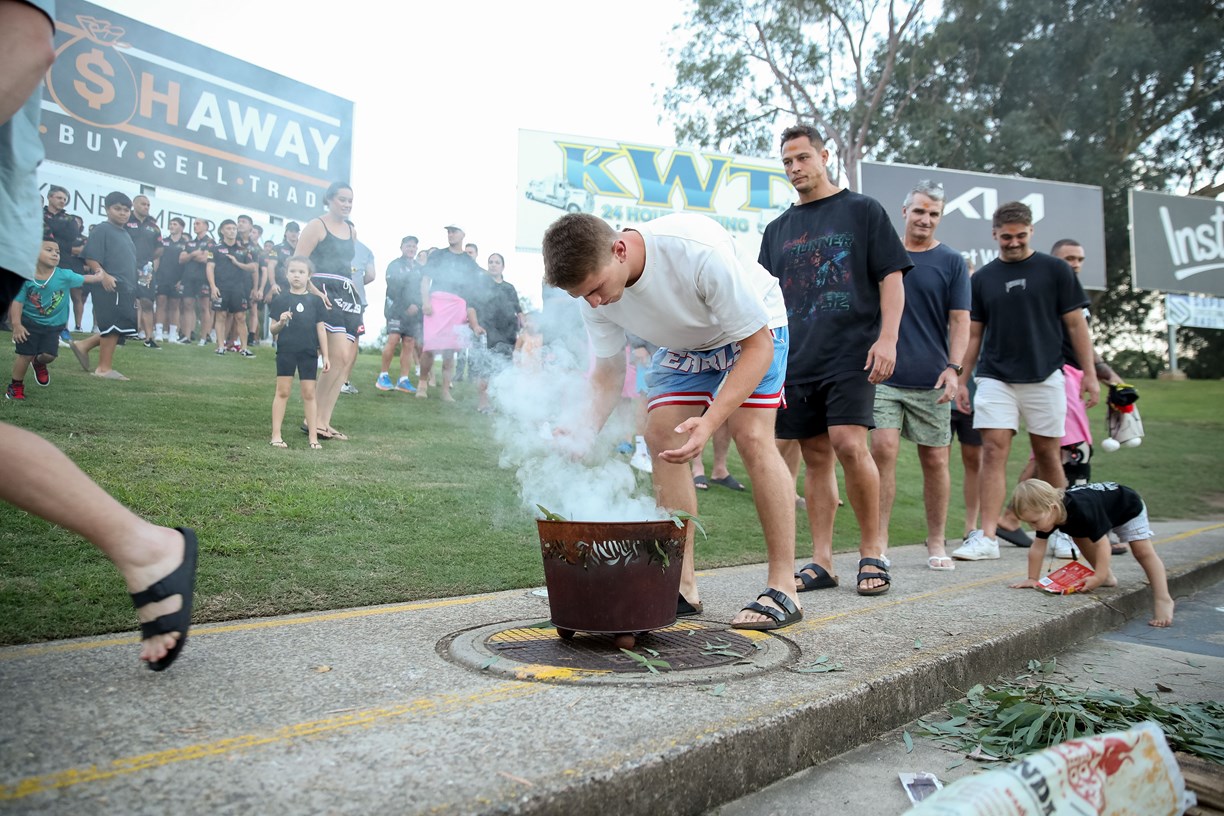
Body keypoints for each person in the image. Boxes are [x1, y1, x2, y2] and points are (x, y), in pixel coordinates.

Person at [0, 0, 196, 671]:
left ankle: (144, 544)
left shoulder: (130, 231)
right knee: (100, 333)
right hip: (64, 268)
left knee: (108, 332)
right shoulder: (107, 232)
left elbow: (24, 43)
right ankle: (144, 545)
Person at [543, 211, 801, 631]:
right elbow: (608, 372)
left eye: (594, 289)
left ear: (619, 250)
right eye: (582, 296)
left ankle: (783, 587)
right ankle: (681, 584)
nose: (593, 303)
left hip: (754, 330)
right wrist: (584, 429)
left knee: (751, 437)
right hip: (686, 343)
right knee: (660, 435)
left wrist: (710, 421)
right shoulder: (595, 292)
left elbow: (758, 347)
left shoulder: (696, 251)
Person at [759, 124, 910, 596]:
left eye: (803, 157)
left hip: (852, 350)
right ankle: (822, 560)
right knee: (815, 455)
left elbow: (891, 277)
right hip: (797, 356)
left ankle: (872, 551)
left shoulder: (862, 210)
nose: (795, 168)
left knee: (848, 442)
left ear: (824, 157)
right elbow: (765, 299)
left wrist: (888, 339)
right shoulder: (776, 230)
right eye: (787, 161)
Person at [951, 202, 1100, 561]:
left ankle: (1062, 531)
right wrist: (962, 380)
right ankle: (987, 537)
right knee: (993, 451)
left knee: (1049, 454)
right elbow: (974, 334)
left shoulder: (1056, 270)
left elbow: (1076, 325)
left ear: (1031, 231)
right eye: (1006, 237)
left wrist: (1091, 375)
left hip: (1045, 375)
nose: (1014, 242)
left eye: (1020, 236)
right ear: (994, 235)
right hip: (995, 377)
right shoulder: (982, 278)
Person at [993, 237, 1127, 556]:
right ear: (1054, 262)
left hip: (1075, 377)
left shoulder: (1075, 296)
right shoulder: (1049, 289)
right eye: (1068, 258)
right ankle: (1079, 530)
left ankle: (1011, 518)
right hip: (1056, 376)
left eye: (1079, 259)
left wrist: (1109, 378)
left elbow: (1085, 344)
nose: (1075, 264)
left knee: (1049, 452)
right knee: (1071, 452)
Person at [869, 181, 970, 571]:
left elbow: (960, 321)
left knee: (936, 460)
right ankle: (878, 541)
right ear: (905, 211)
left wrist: (954, 368)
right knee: (883, 450)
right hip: (883, 375)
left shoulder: (952, 261)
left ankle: (936, 540)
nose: (925, 219)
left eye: (933, 213)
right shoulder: (883, 254)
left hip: (932, 378)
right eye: (919, 211)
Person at [1007, 479, 1174, 627]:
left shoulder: (1082, 510)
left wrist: (1098, 576)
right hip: (1101, 510)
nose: (1033, 527)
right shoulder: (1048, 514)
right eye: (1028, 523)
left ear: (1052, 508)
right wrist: (1032, 578)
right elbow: (1038, 547)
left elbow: (1103, 545)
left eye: (1034, 522)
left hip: (1127, 507)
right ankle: (1107, 578)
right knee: (1078, 534)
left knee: (1142, 551)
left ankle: (1163, 598)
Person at [295, 181, 361, 440]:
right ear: (330, 199)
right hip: (322, 290)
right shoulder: (316, 225)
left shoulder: (351, 230)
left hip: (346, 293)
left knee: (344, 360)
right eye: (342, 199)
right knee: (336, 356)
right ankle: (311, 419)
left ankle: (324, 421)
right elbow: (298, 263)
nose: (347, 204)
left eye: (350, 200)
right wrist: (313, 292)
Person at [7, 237, 111, 399]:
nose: (55, 254)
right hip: (29, 323)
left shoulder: (64, 275)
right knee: (25, 355)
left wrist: (99, 276)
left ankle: (38, 363)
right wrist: (17, 324)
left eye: (57, 252)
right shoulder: (26, 277)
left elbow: (85, 278)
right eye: (49, 250)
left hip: (54, 325)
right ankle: (15, 386)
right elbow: (17, 302)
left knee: (49, 356)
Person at [69, 191, 141, 380]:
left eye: (126, 210)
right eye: (118, 209)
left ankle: (83, 345)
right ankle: (103, 369)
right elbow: (91, 257)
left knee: (120, 326)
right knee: (112, 326)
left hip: (125, 287)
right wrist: (104, 275)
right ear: (107, 209)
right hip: (110, 285)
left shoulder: (125, 233)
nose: (123, 213)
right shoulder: (102, 229)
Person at [419, 223, 486, 402]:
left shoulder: (469, 262)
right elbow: (425, 279)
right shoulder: (438, 255)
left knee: (450, 350)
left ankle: (445, 390)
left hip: (458, 306)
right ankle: (422, 383)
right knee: (430, 347)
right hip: (436, 302)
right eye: (449, 231)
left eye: (454, 231)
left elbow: (472, 291)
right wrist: (426, 302)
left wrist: (469, 315)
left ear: (463, 234)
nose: (450, 234)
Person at [269, 256, 330, 449]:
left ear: (309, 276)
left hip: (309, 353)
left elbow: (321, 329)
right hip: (286, 351)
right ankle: (276, 435)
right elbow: (272, 330)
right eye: (293, 271)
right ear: (286, 274)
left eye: (301, 272)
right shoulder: (280, 299)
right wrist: (281, 322)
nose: (297, 275)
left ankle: (313, 438)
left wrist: (326, 356)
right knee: (282, 391)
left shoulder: (316, 301)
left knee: (309, 393)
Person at [474, 252, 521, 413]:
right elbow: (472, 306)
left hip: (508, 332)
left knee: (506, 369)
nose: (493, 265)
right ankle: (483, 403)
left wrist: (524, 327)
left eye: (497, 262)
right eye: (491, 262)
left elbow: (518, 310)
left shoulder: (509, 288)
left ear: (503, 266)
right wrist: (475, 325)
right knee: (485, 369)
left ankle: (504, 404)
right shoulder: (482, 285)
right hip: (488, 331)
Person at [205, 218, 258, 358]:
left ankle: (244, 348)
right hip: (221, 287)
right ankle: (220, 347)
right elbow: (210, 267)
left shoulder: (243, 250)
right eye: (228, 228)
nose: (232, 231)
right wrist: (213, 286)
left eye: (234, 228)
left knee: (241, 317)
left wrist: (237, 263)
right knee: (221, 316)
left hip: (239, 288)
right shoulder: (215, 248)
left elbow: (253, 267)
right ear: (222, 231)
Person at [377, 235, 422, 393]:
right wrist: (407, 305)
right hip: (396, 310)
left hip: (414, 312)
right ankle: (383, 376)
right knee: (394, 339)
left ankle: (403, 380)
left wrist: (417, 305)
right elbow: (393, 288)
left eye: (413, 246)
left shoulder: (419, 268)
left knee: (409, 342)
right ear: (402, 247)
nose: (411, 249)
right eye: (408, 246)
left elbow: (422, 290)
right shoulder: (394, 265)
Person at [42, 183, 79, 338]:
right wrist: (55, 231)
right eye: (59, 197)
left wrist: (51, 229)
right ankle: (35, 325)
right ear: (50, 197)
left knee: (61, 295)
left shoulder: (70, 218)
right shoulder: (39, 214)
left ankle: (63, 328)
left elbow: (71, 236)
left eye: (64, 199)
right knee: (37, 292)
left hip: (63, 260)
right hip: (39, 259)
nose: (62, 201)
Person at [339, 238, 375, 395]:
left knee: (336, 337)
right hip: (354, 300)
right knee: (352, 339)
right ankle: (342, 381)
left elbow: (371, 275)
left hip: (341, 298)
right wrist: (356, 283)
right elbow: (371, 276)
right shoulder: (365, 249)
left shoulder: (333, 243)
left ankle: (339, 381)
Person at [125, 194, 162, 347]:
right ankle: (121, 333)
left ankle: (149, 338)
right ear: (134, 205)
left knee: (147, 301)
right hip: (125, 266)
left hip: (145, 270)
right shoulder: (126, 221)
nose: (146, 207)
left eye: (148, 205)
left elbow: (159, 249)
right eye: (143, 204)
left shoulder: (153, 226)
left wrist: (147, 259)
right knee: (124, 299)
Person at [153, 216, 188, 344]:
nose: (172, 226)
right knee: (160, 303)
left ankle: (173, 334)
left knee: (175, 306)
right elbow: (157, 258)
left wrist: (182, 280)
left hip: (177, 278)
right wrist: (154, 275)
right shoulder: (163, 241)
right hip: (162, 277)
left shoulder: (186, 244)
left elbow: (187, 264)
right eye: (171, 224)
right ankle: (159, 332)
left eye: (175, 224)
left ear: (182, 228)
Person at [182, 217, 214, 345]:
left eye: (198, 224)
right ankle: (187, 336)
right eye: (194, 224)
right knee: (187, 305)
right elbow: (181, 259)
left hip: (203, 278)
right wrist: (193, 254)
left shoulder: (210, 242)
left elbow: (204, 258)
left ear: (206, 226)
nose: (195, 226)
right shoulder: (190, 243)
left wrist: (190, 256)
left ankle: (204, 337)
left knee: (204, 307)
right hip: (189, 277)